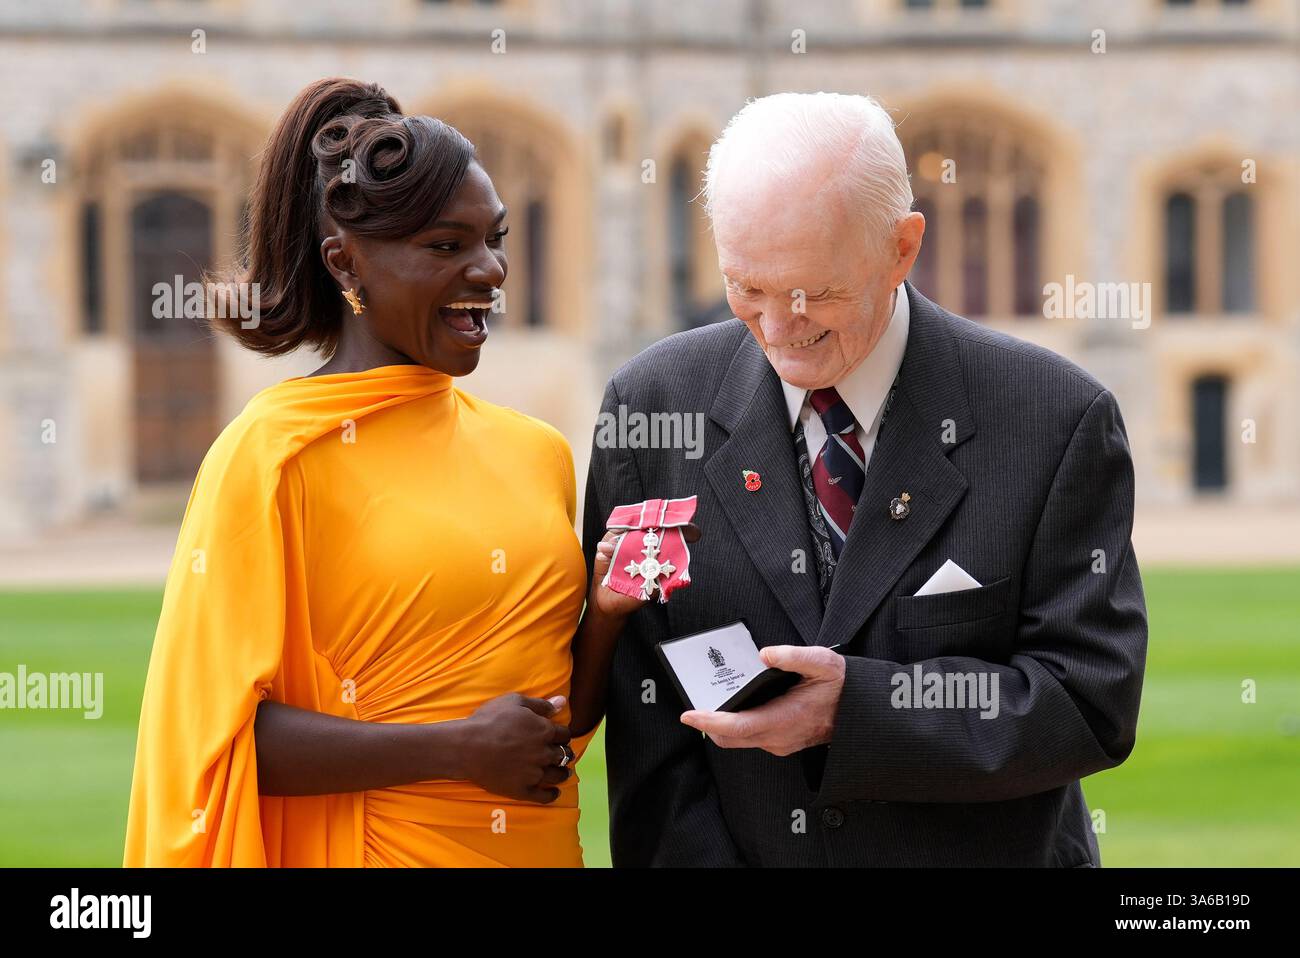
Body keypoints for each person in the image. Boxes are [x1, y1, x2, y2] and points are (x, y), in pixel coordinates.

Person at [585, 92, 1148, 867]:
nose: (780, 329)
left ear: (903, 246)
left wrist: (858, 712)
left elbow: (1089, 701)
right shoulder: (651, 406)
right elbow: (646, 722)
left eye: (815, 292)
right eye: (747, 287)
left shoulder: (1055, 417)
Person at [123, 77, 650, 867]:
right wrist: (454, 748)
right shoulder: (274, 455)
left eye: (495, 239)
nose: (491, 270)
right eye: (447, 246)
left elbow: (552, 728)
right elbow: (216, 740)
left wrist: (605, 617)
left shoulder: (538, 452)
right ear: (347, 263)